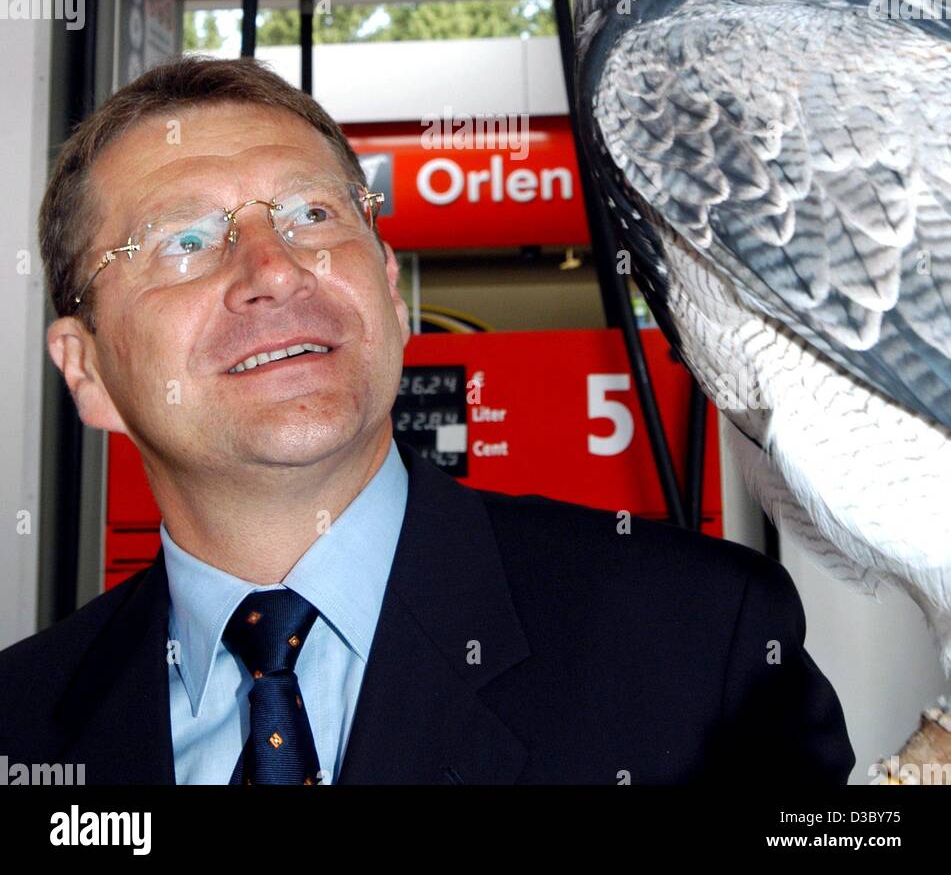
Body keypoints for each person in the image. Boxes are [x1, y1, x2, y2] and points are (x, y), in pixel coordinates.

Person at [0, 55, 854, 784]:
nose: (274, 269)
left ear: (391, 293)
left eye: (312, 214)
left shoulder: (695, 641)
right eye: (184, 239)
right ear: (89, 370)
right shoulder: (24, 724)